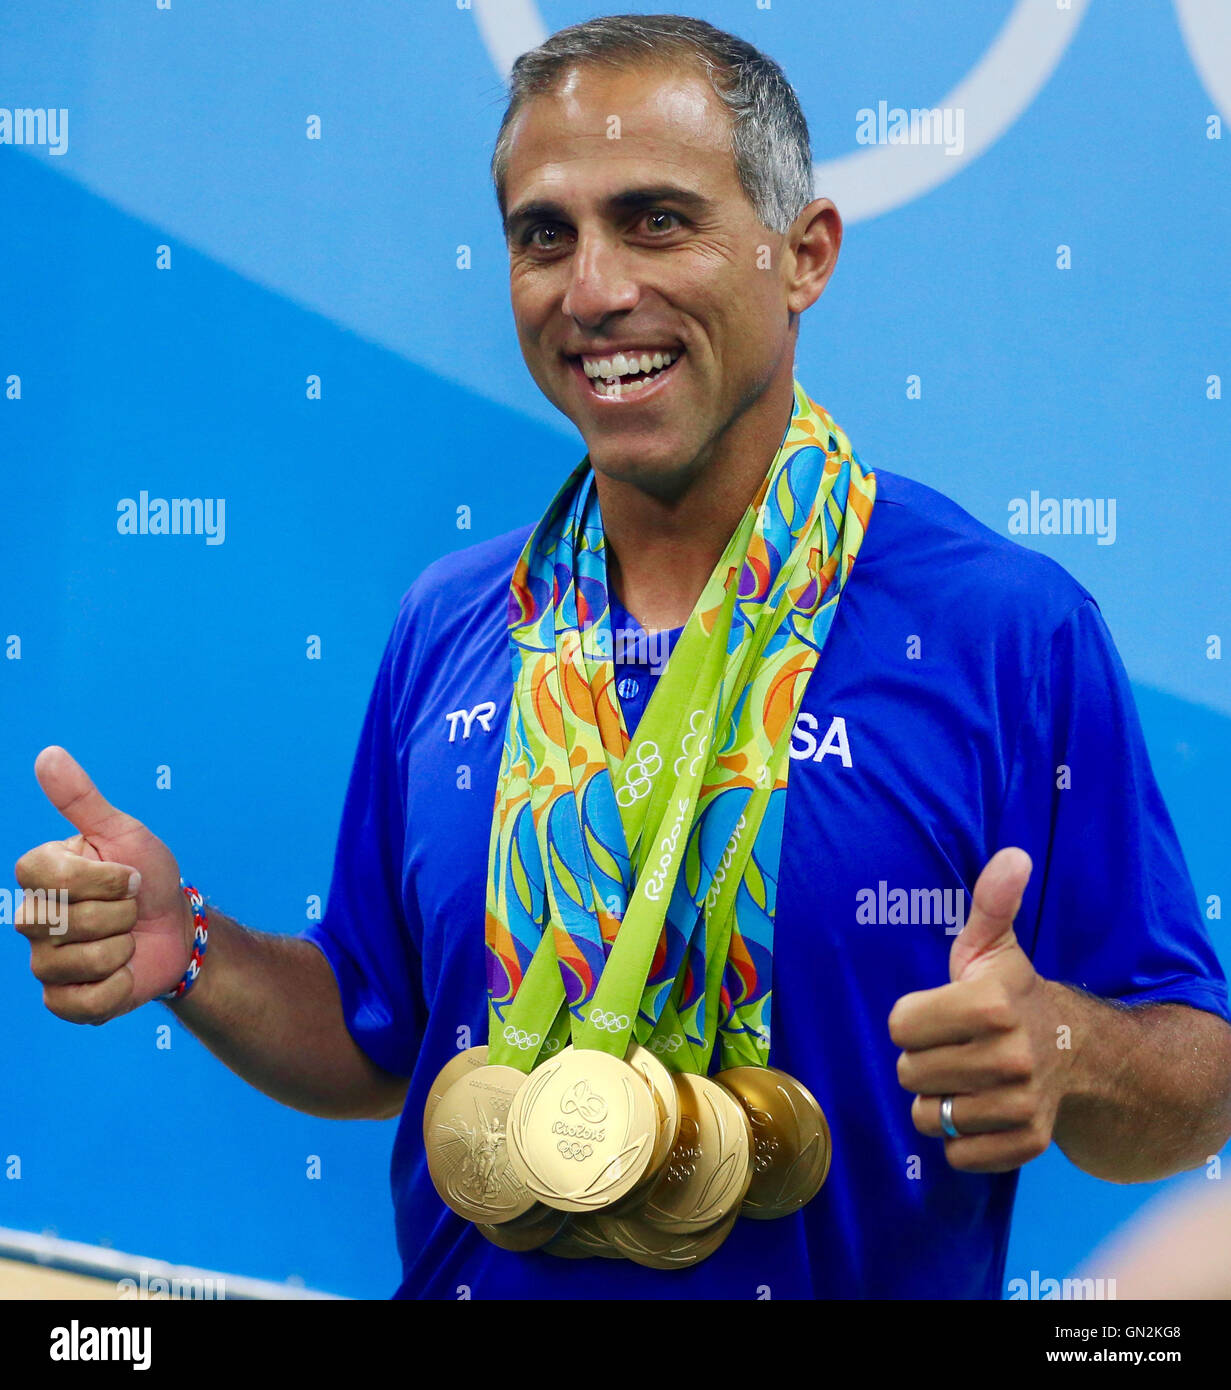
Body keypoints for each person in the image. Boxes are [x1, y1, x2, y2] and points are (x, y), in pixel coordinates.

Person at [14, 14, 1231, 1300]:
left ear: (803, 254)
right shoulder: (452, 620)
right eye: (546, 234)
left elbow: (1193, 1075)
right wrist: (187, 946)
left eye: (655, 220)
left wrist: (1066, 1045)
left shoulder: (1003, 628)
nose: (593, 290)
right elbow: (376, 1029)